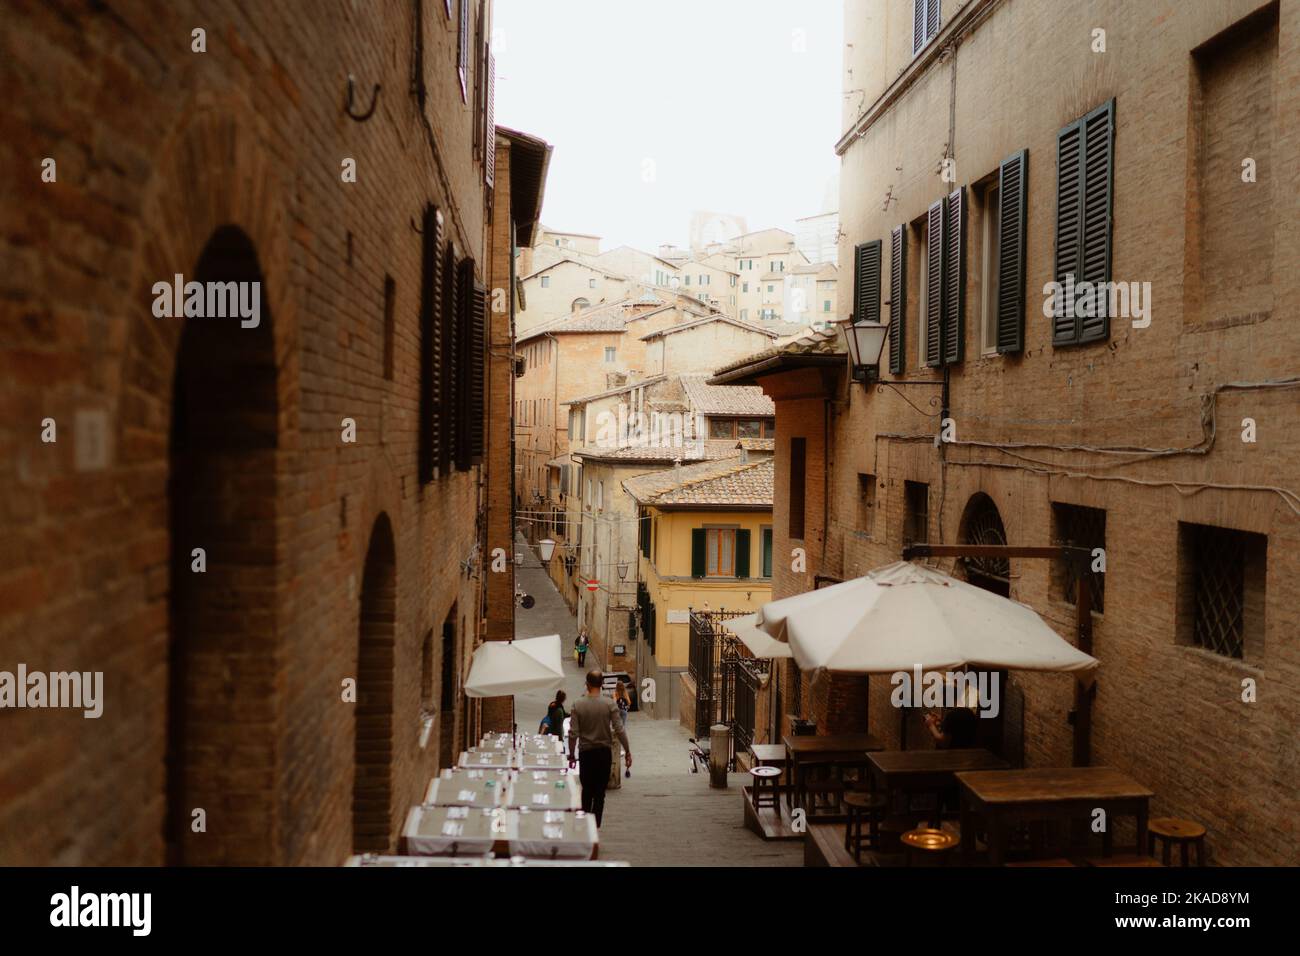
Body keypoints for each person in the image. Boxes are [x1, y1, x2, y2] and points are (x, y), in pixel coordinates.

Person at [567, 669, 632, 826]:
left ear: (587, 684)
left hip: (586, 754)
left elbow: (573, 734)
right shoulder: (609, 704)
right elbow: (619, 729)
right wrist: (628, 751)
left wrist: (571, 755)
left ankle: (584, 827)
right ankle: (595, 827)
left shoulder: (577, 705)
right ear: (602, 684)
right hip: (604, 754)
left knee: (587, 792)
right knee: (599, 794)